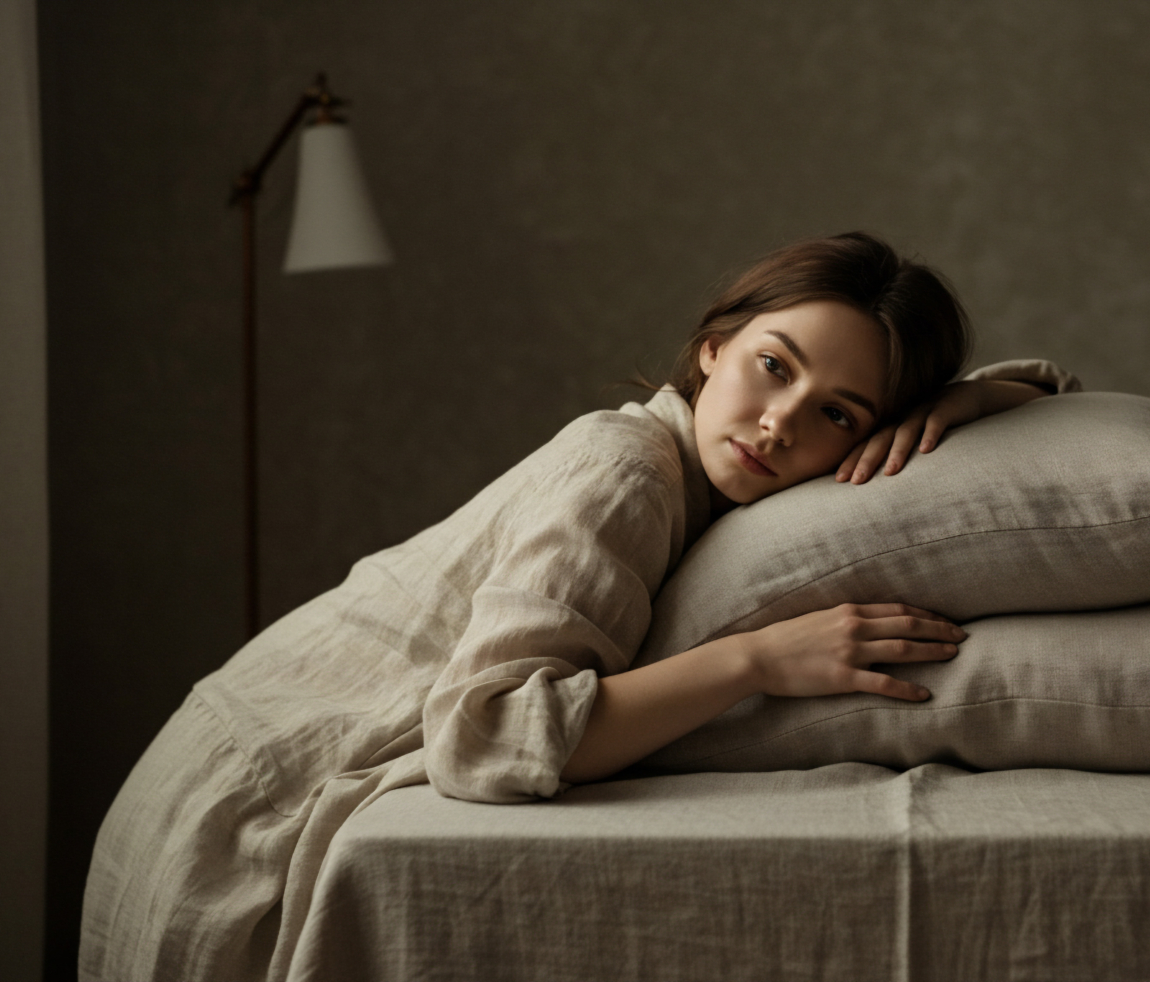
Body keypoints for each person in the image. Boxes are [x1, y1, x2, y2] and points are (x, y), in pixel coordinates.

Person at [79, 231, 1077, 982]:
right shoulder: (627, 472)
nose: (780, 422)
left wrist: (966, 403)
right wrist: (760, 660)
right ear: (713, 348)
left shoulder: (705, 478)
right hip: (242, 793)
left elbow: (1062, 394)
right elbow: (486, 735)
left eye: (838, 414)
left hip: (237, 752)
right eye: (774, 364)